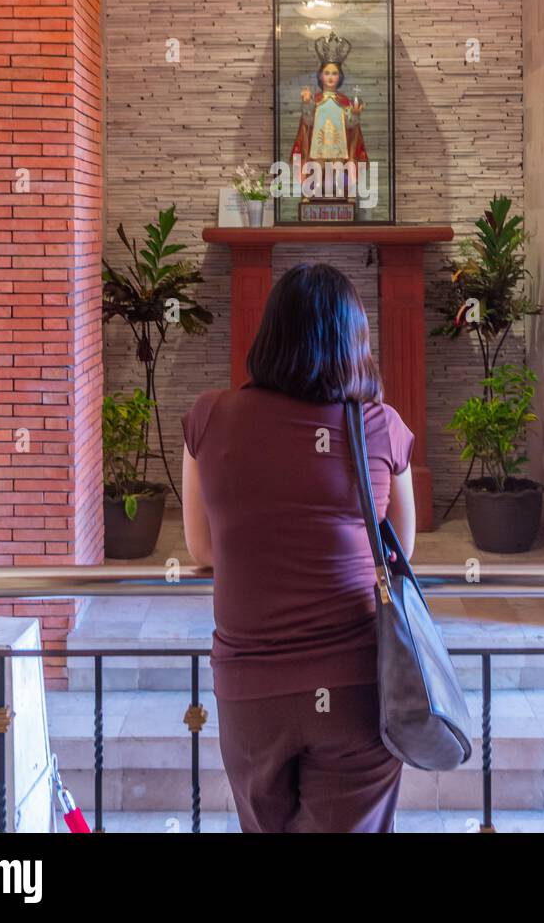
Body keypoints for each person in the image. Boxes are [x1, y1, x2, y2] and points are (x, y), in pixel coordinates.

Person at [181, 261, 416, 834]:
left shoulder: (210, 418)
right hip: (356, 687)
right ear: (354, 341)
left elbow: (201, 548)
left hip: (248, 688)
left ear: (271, 335)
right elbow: (400, 549)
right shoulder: (379, 427)